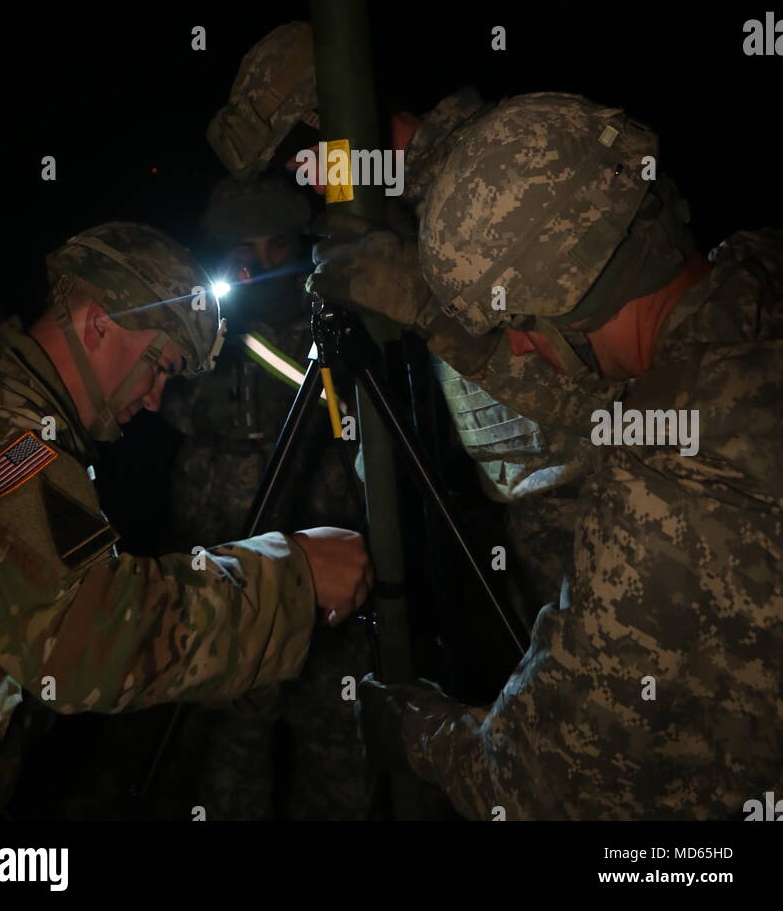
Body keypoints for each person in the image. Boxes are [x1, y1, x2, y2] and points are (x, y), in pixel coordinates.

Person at [310, 92, 783, 820]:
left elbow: (531, 788)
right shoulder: (752, 291)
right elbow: (609, 409)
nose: (521, 347)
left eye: (523, 323)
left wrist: (407, 726)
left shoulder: (662, 500)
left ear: (577, 296)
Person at [0, 220, 371, 819]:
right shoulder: (2, 441)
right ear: (100, 321)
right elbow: (86, 641)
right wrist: (295, 574)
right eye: (159, 364)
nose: (156, 397)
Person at [157, 173, 373, 819]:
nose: (258, 266)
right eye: (242, 251)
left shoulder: (336, 318)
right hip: (227, 574)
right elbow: (149, 403)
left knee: (340, 755)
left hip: (330, 579)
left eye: (275, 246)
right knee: (229, 758)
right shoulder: (197, 327)